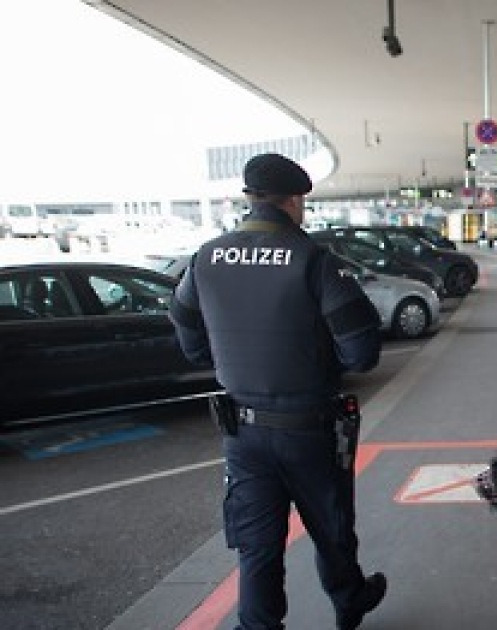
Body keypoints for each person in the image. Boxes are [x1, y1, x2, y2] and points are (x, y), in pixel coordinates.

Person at [168, 153, 388, 630]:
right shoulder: (312, 259)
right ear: (295, 200)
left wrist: (229, 363)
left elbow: (186, 331)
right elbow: (361, 349)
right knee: (330, 529)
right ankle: (348, 601)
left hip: (242, 431)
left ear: (250, 199)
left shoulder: (206, 256)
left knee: (257, 544)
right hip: (311, 429)